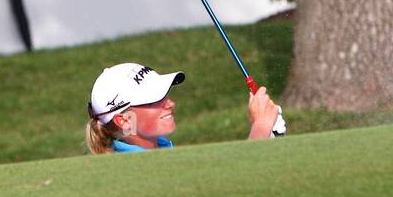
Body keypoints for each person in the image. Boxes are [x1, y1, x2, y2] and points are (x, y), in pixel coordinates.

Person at [85, 62, 282, 154]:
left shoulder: (162, 148)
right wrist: (261, 127)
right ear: (125, 120)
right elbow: (227, 190)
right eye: (155, 100)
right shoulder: (131, 167)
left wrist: (264, 139)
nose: (170, 103)